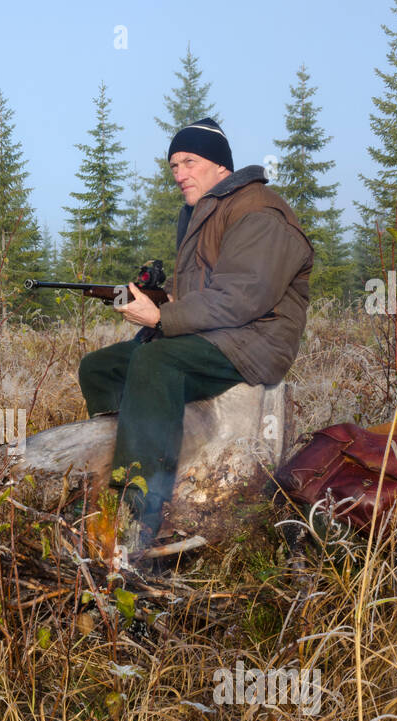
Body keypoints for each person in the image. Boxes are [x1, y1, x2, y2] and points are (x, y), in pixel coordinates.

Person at [78, 118, 314, 550]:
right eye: (173, 166)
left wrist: (162, 320)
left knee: (155, 361)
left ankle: (141, 515)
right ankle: (130, 457)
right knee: (101, 368)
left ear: (221, 166)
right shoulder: (204, 210)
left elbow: (243, 297)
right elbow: (206, 293)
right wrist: (161, 301)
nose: (180, 173)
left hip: (255, 340)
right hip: (217, 333)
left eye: (189, 161)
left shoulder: (259, 212)